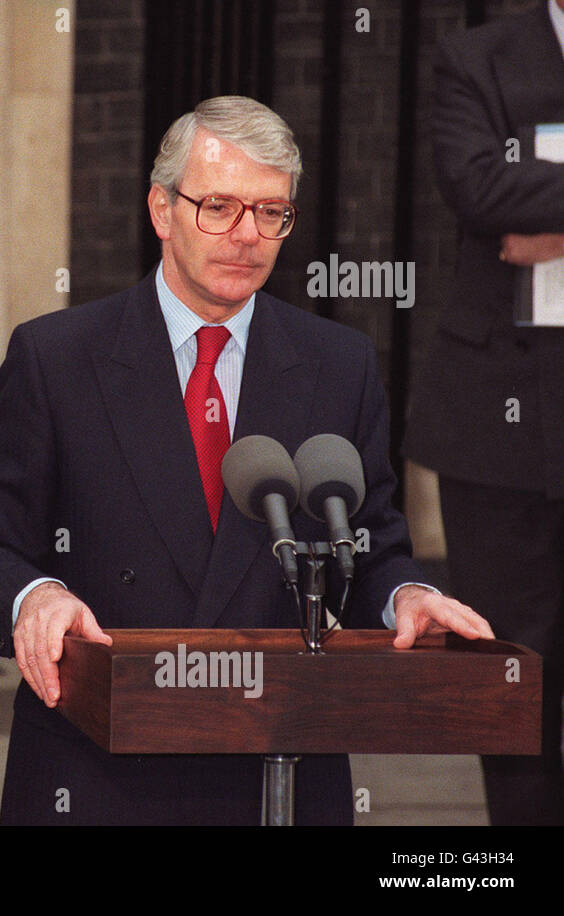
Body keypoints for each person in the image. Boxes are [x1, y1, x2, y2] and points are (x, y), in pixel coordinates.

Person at [0, 95, 493, 826]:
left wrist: (406, 599)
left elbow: (366, 544)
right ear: (160, 209)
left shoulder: (339, 365)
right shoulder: (58, 359)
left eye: (271, 213)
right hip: (97, 766)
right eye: (220, 207)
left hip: (280, 761)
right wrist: (36, 596)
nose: (247, 236)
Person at [404, 0, 564, 825]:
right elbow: (477, 186)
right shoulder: (478, 57)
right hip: (499, 432)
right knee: (513, 680)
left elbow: (518, 200)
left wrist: (550, 218)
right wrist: (514, 208)